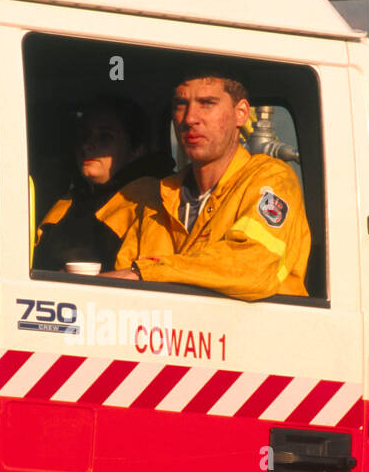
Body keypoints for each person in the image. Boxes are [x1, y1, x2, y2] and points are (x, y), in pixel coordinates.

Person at [102, 69, 310, 301]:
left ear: (241, 113)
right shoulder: (156, 198)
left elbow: (252, 266)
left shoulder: (272, 180)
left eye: (207, 103)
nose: (190, 118)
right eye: (181, 104)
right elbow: (122, 286)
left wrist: (147, 272)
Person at [33, 95, 169, 272]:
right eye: (83, 136)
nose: (87, 145)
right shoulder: (69, 199)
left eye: (105, 137)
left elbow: (148, 275)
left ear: (136, 150)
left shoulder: (152, 200)